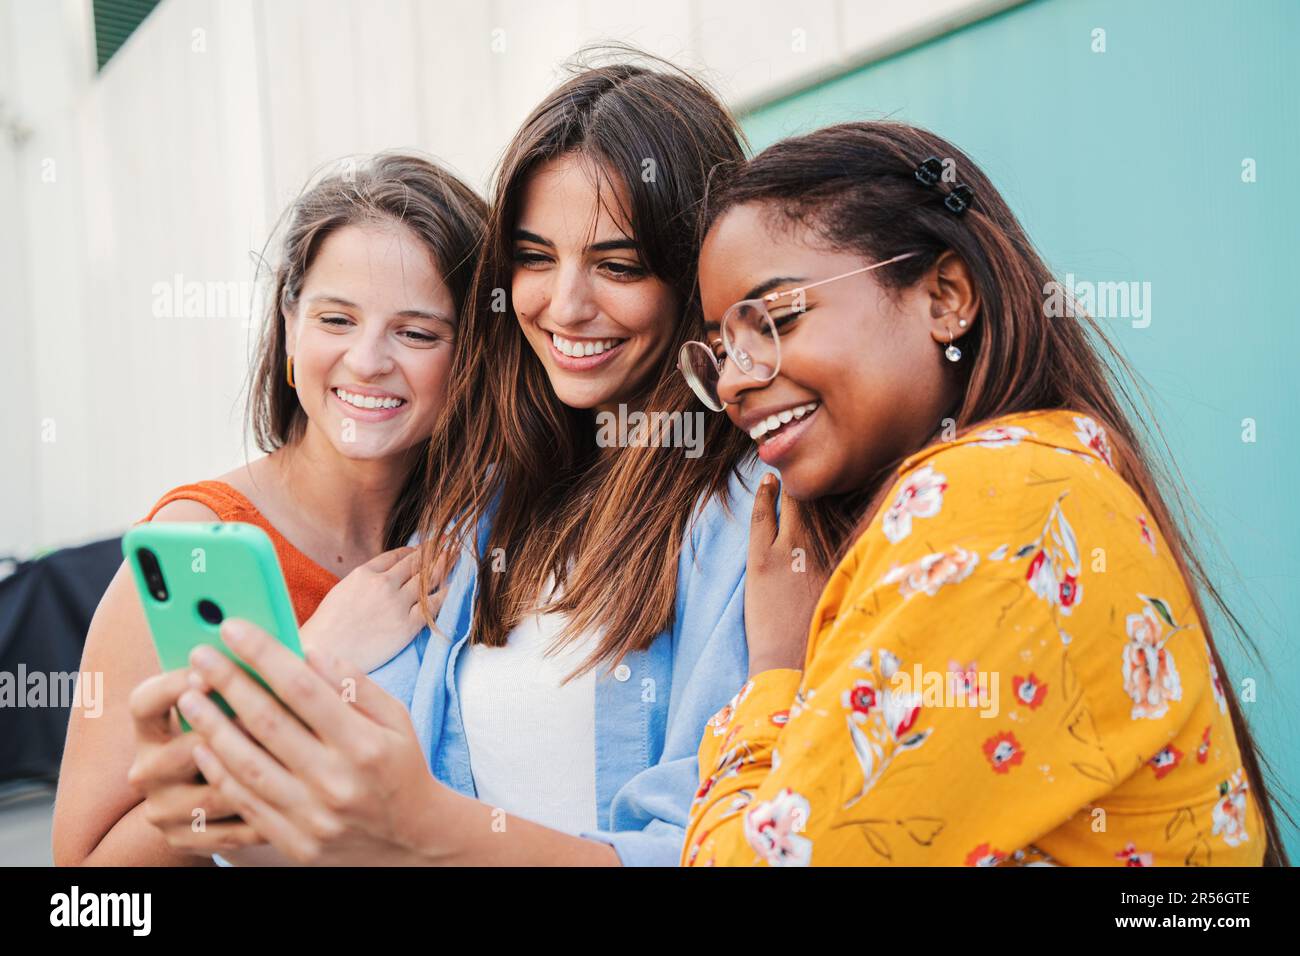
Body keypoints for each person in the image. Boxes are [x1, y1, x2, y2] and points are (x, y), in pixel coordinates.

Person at [126, 55, 769, 867]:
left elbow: (718, 848)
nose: (564, 305)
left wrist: (423, 829)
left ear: (696, 273)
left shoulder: (748, 513)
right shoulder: (487, 505)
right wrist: (298, 678)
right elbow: (335, 825)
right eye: (535, 258)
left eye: (617, 265)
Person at [678, 121, 1285, 866]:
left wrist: (774, 671)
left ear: (946, 295)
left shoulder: (994, 505)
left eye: (776, 319)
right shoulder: (1044, 476)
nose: (736, 379)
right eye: (719, 352)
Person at [53, 154, 485, 865]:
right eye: (336, 318)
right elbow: (85, 890)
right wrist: (305, 667)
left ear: (471, 355)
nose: (368, 360)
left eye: (416, 332)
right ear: (289, 328)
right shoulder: (195, 545)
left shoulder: (481, 525)